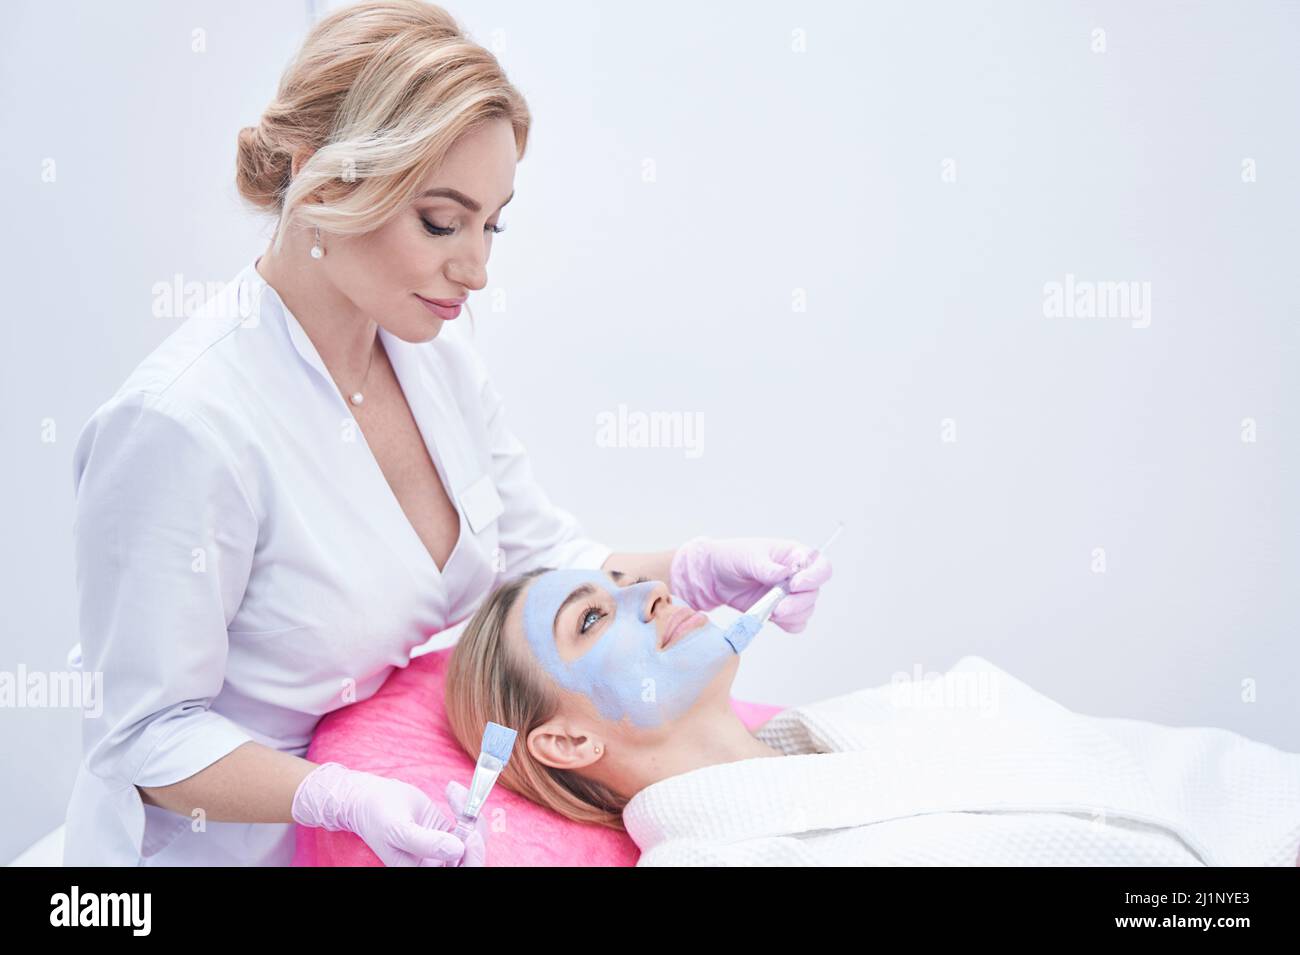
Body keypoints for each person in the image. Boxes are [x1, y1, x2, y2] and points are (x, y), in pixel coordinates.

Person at [64, 0, 832, 866]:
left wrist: (697, 566)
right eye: (441, 222)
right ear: (320, 179)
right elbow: (146, 735)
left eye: (491, 223)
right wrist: (334, 795)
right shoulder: (183, 427)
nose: (477, 268)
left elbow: (537, 555)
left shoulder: (430, 345)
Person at [444, 566, 1300, 866]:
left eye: (628, 583)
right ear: (565, 739)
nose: (651, 592)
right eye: (591, 619)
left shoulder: (907, 710)